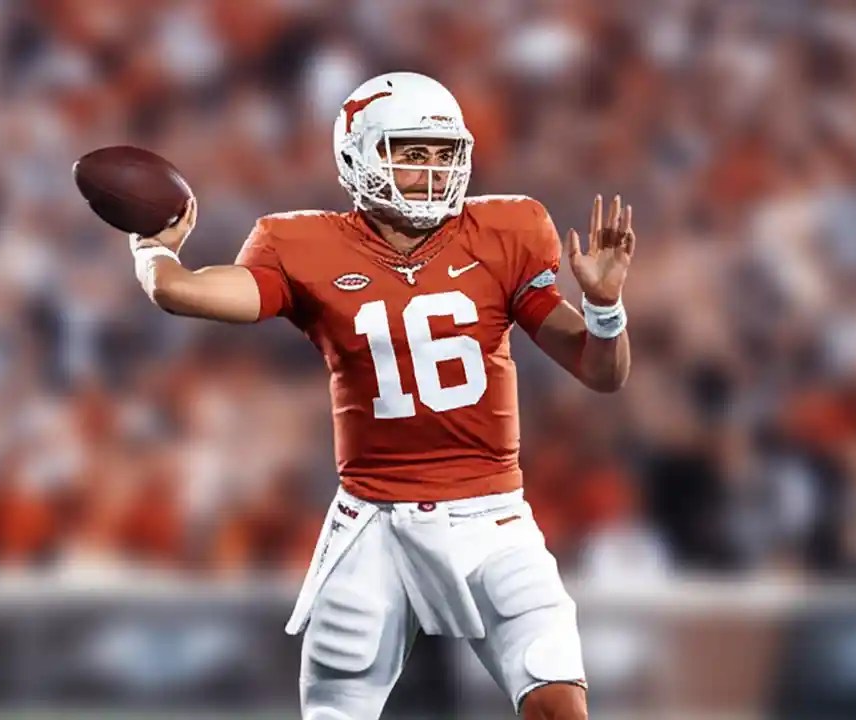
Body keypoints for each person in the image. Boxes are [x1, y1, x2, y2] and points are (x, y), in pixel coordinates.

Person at [127, 72, 633, 720]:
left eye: (443, 153)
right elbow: (186, 293)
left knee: (559, 700)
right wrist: (153, 254)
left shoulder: (507, 231)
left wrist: (605, 307)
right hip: (374, 524)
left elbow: (601, 371)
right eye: (410, 152)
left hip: (491, 516)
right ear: (356, 155)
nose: (431, 170)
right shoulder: (301, 244)